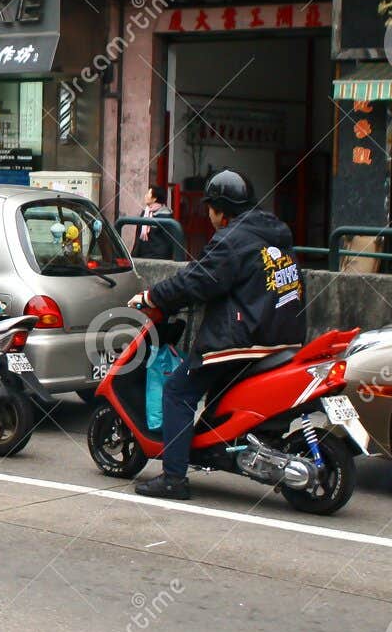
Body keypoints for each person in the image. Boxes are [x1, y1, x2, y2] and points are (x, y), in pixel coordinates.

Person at [127, 169, 306, 499]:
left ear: (221, 211)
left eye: (210, 209)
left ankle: (173, 478)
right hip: (285, 336)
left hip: (244, 338)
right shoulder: (275, 234)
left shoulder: (232, 239)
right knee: (218, 393)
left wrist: (152, 297)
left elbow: (197, 280)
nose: (209, 216)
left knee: (178, 390)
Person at [132, 184, 177, 260]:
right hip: (142, 256)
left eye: (148, 194)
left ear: (154, 198)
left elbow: (169, 243)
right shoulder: (145, 213)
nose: (145, 196)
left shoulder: (165, 216)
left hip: (158, 258)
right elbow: (138, 238)